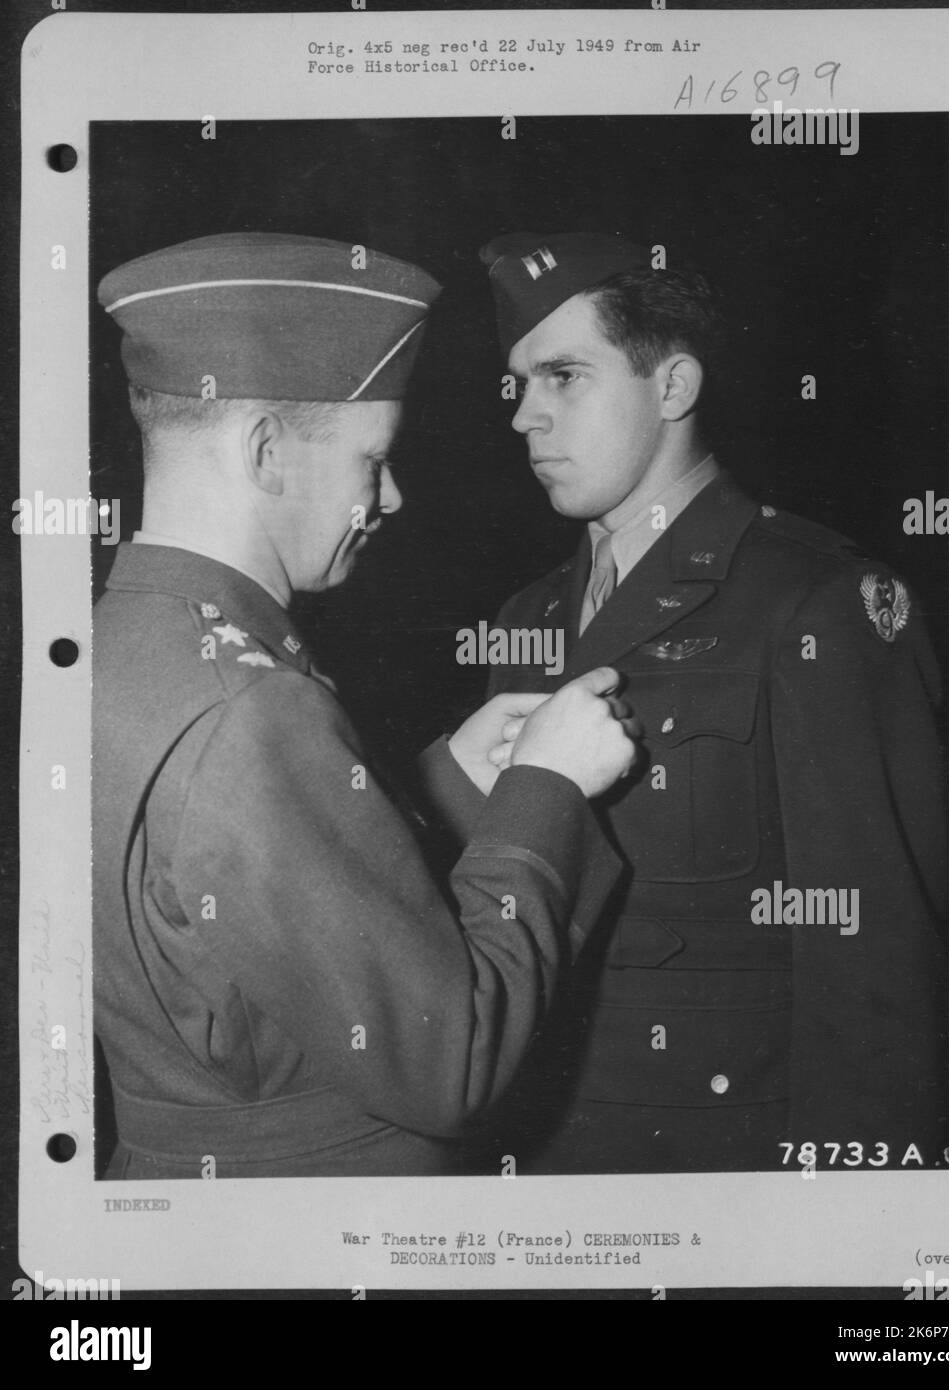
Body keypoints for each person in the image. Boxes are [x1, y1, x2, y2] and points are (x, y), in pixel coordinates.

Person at [92, 231, 638, 1179]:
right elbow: (451, 1058)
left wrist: (445, 782)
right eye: (370, 460)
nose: (390, 496)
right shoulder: (255, 707)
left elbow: (228, 926)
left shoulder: (107, 644)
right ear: (267, 452)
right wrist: (545, 788)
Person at [473, 230, 949, 1174]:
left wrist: (848, 1223)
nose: (525, 415)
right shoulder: (526, 614)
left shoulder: (813, 600)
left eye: (564, 376)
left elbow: (872, 962)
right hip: (539, 1157)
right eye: (520, 383)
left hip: (726, 1161)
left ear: (673, 388)